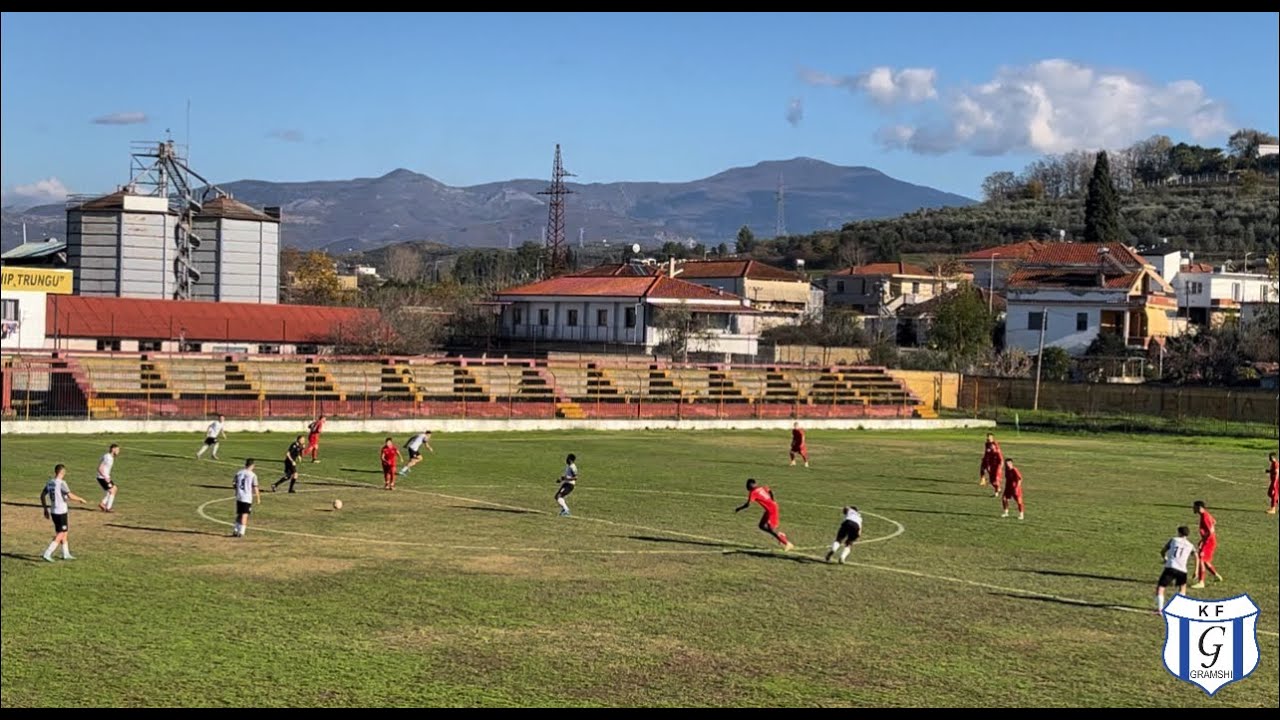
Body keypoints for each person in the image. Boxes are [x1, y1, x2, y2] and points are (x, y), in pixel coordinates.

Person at [40, 463, 86, 562]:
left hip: (53, 511)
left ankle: (66, 553)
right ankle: (47, 553)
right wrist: (80, 499)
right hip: (61, 511)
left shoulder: (50, 482)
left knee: (64, 532)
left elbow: (42, 495)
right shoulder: (61, 483)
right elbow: (70, 496)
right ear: (62, 472)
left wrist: (45, 509)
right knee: (61, 533)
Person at [734, 478, 794, 550]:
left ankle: (787, 543)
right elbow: (770, 491)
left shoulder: (753, 492)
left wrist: (739, 508)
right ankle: (780, 535)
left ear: (750, 485)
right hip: (769, 509)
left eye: (747, 486)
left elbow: (748, 505)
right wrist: (772, 500)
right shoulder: (762, 487)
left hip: (772, 509)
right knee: (762, 526)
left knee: (771, 528)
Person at [1155, 526, 1198, 614]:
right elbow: (1196, 557)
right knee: (1182, 589)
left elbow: (1163, 551)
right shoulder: (1190, 545)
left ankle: (1160, 609)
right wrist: (1196, 570)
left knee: (1161, 587)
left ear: (1179, 533)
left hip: (1171, 567)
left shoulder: (1174, 540)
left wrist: (1165, 558)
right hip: (1182, 570)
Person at [1190, 500, 1223, 588]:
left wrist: (1203, 541)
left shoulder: (1205, 517)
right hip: (1209, 541)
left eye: (1194, 507)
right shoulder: (1205, 515)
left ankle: (1201, 582)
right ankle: (1216, 576)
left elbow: (1210, 531)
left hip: (1209, 542)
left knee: (1201, 559)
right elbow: (1214, 521)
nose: (1193, 508)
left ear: (1199, 508)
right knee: (1205, 561)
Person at [231, 459, 260, 538]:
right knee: (245, 515)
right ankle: (241, 532)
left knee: (239, 514)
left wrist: (237, 491)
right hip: (246, 497)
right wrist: (258, 497)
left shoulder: (239, 472)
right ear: (252, 465)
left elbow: (234, 483)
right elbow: (255, 487)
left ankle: (235, 530)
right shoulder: (253, 475)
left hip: (239, 496)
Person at [96, 443, 121, 513]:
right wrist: (105, 477)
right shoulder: (108, 457)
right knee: (112, 490)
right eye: (117, 450)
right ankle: (108, 508)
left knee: (114, 489)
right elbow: (100, 468)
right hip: (102, 477)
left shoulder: (109, 457)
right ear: (113, 449)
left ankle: (102, 503)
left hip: (105, 476)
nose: (119, 451)